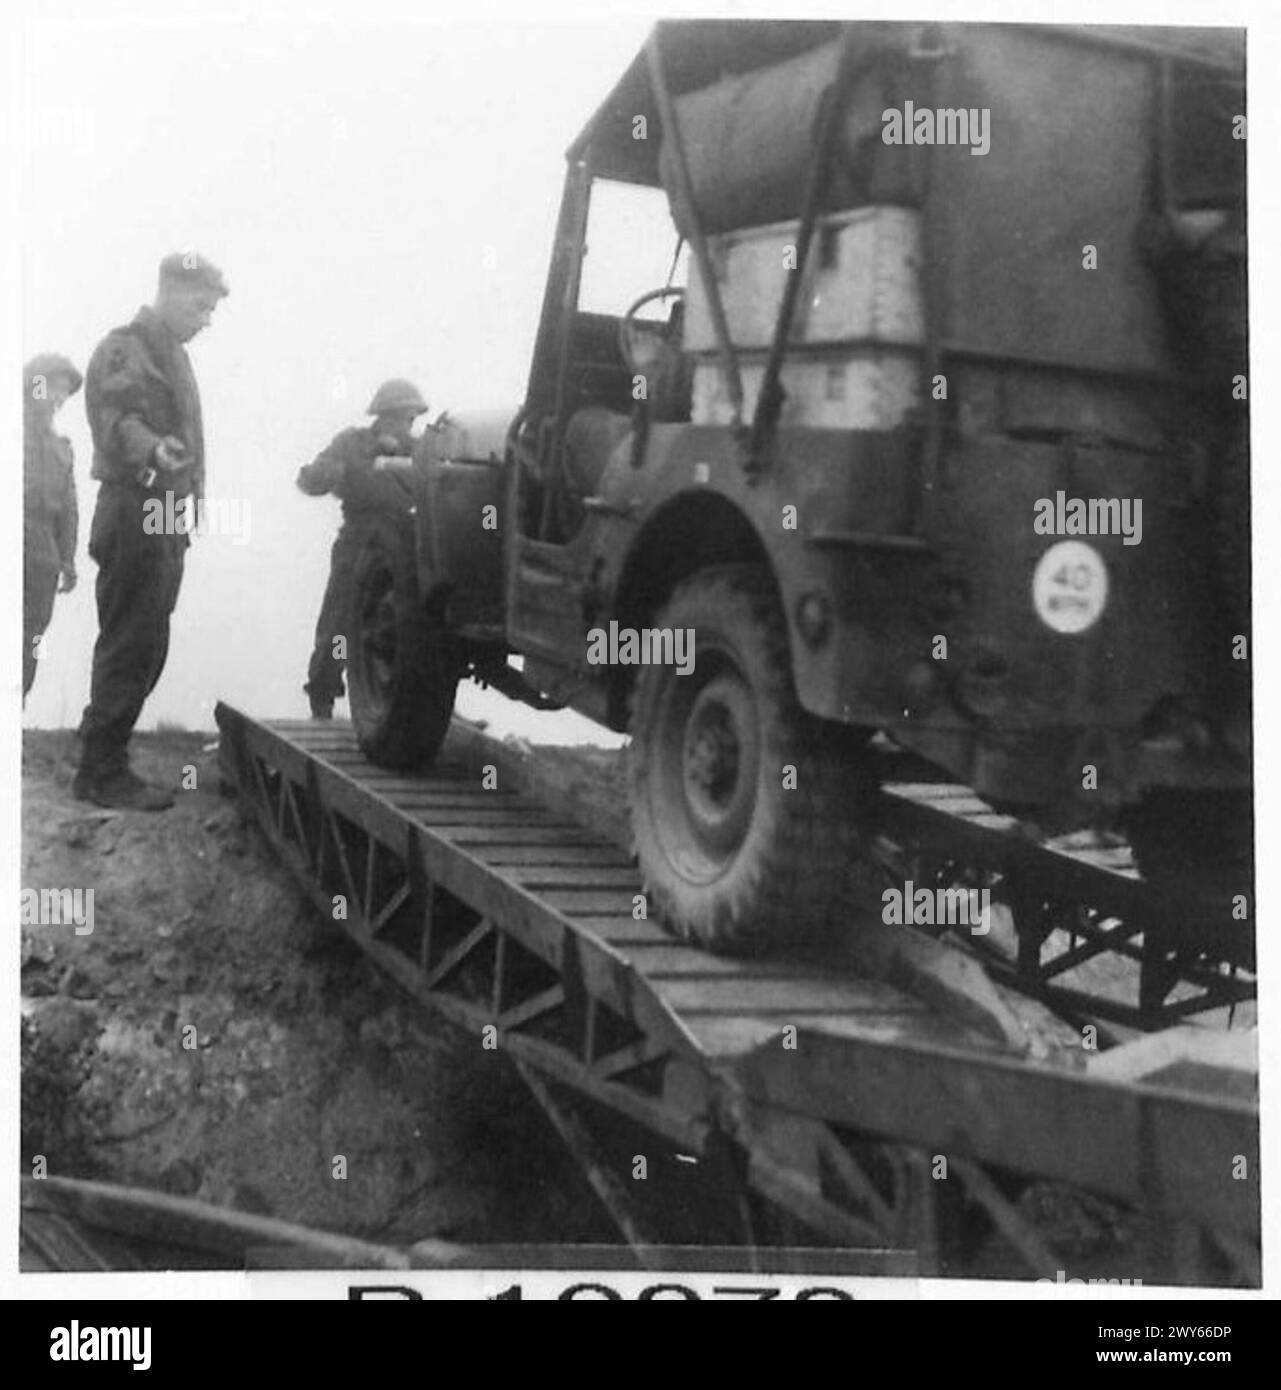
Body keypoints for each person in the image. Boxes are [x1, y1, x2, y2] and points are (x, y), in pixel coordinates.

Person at [74, 252, 229, 810]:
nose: (206, 318)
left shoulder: (172, 354)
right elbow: (117, 418)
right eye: (200, 304)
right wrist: (152, 449)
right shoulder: (126, 347)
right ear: (168, 291)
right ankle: (99, 770)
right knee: (130, 639)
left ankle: (103, 750)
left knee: (149, 642)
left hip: (163, 515)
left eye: (212, 310)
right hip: (135, 505)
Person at [297, 379, 429, 718]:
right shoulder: (352, 443)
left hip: (402, 546)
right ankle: (322, 699)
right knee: (339, 626)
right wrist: (348, 465)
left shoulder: (419, 450)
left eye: (411, 419)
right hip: (359, 538)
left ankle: (403, 707)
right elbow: (311, 480)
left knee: (408, 629)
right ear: (384, 416)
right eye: (403, 418)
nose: (407, 426)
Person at [23, 355, 83, 700]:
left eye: (63, 393)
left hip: (43, 554)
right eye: (51, 388)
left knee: (32, 636)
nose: (57, 399)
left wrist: (68, 560)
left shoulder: (63, 450)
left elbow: (69, 512)